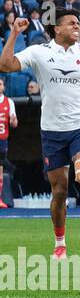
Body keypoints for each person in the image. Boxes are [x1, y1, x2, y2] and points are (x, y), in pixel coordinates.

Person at [1, 11, 80, 258]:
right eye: (71, 23)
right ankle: (60, 242)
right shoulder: (40, 52)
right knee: (59, 190)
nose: (77, 26)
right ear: (57, 29)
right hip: (51, 132)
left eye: (78, 23)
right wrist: (15, 33)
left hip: (79, 128)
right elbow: (5, 65)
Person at [0, 77, 13, 208]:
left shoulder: (9, 102)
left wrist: (13, 121)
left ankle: (0, 198)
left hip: (2, 140)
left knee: (0, 168)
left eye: (0, 84)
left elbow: (14, 123)